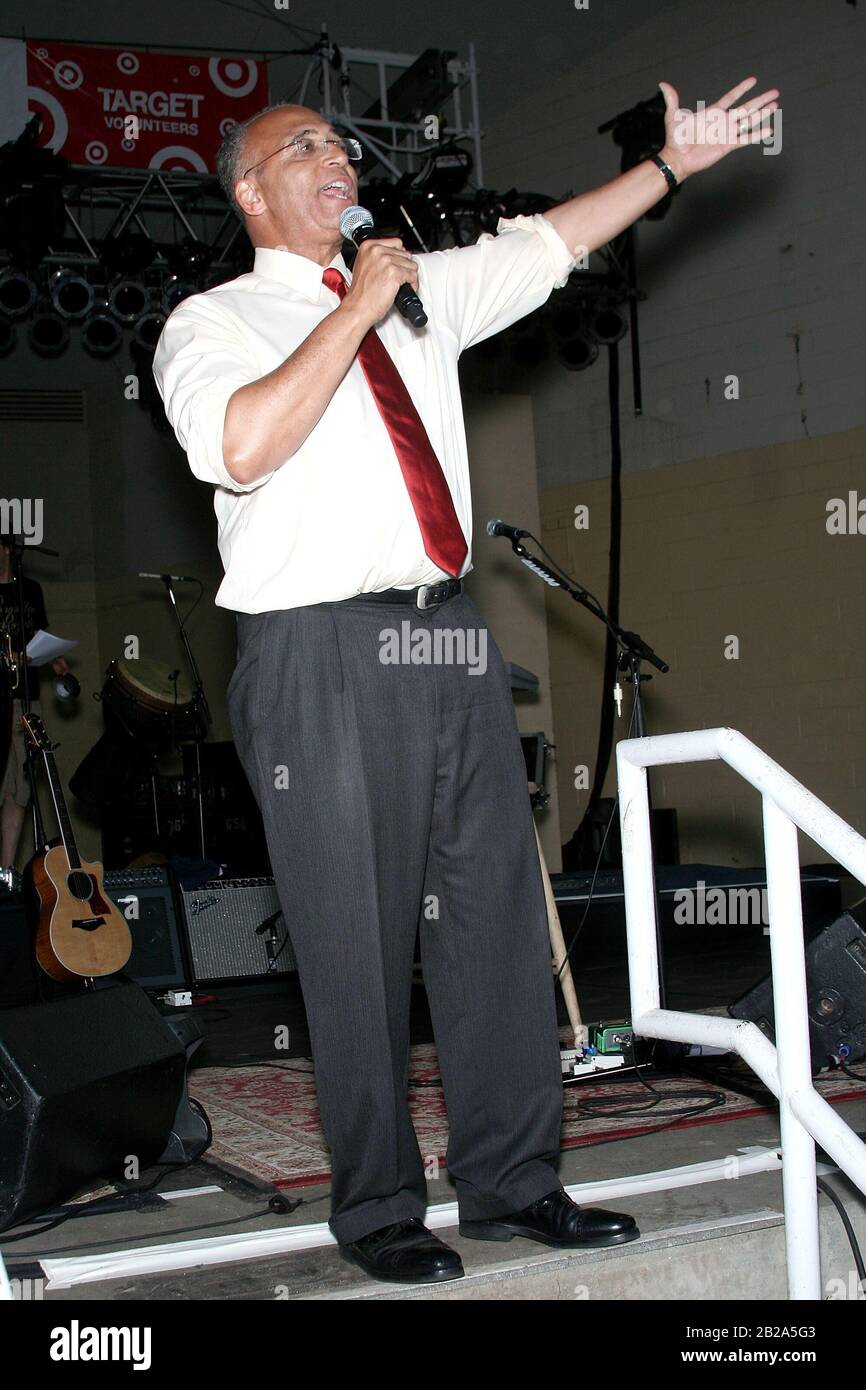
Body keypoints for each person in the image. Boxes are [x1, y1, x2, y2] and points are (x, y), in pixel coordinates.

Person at [153, 75, 779, 1285]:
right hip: (315, 648)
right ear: (249, 191)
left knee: (491, 922)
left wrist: (669, 169)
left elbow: (545, 244)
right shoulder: (213, 320)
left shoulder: (415, 290)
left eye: (340, 142)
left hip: (444, 633)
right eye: (303, 148)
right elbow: (238, 446)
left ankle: (511, 1183)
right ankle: (379, 1205)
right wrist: (357, 308)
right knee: (353, 939)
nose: (335, 156)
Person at [0, 535, 69, 870]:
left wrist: (52, 659)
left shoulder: (31, 590)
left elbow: (40, 635)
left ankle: (7, 870)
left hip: (26, 696)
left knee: (21, 787)